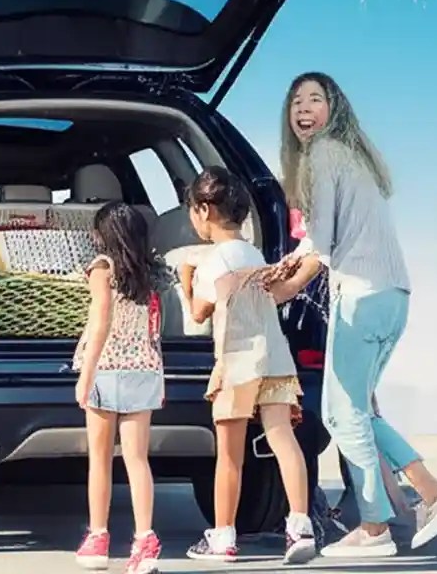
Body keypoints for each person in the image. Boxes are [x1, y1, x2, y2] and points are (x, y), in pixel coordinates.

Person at [265, 72, 437, 557]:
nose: (304, 108)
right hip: (392, 297)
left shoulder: (322, 154)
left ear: (334, 108)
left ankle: (377, 528)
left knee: (343, 414)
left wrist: (274, 293)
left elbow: (322, 244)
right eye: (296, 101)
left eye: (315, 99)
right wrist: (294, 256)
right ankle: (428, 494)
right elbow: (327, 236)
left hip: (363, 298)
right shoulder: (352, 157)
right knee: (353, 410)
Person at [179, 166, 316, 565]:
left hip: (237, 361)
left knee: (229, 456)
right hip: (274, 356)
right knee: (283, 442)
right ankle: (300, 526)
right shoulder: (254, 253)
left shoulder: (212, 260)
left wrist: (185, 278)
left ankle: (222, 537)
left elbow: (199, 313)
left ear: (204, 210)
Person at [72, 202, 166, 574]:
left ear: (102, 235)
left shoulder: (101, 268)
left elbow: (100, 322)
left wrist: (86, 374)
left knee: (100, 459)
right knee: (137, 460)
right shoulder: (149, 272)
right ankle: (145, 540)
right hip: (143, 368)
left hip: (106, 369)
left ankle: (98, 538)